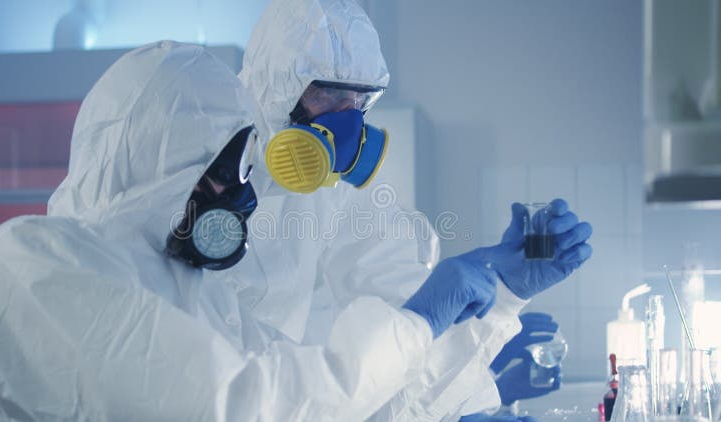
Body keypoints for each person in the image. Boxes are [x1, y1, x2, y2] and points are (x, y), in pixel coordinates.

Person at [0, 40, 570, 421]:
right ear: (156, 169)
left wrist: (497, 293)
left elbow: (349, 408)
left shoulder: (197, 293)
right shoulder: (34, 264)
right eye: (219, 172)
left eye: (241, 171)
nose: (239, 199)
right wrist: (418, 319)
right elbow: (247, 407)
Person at [237, 0, 593, 420]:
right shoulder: (202, 174)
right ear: (277, 89)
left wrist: (505, 293)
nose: (348, 121)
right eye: (331, 95)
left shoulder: (341, 188)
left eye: (360, 101)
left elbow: (405, 347)